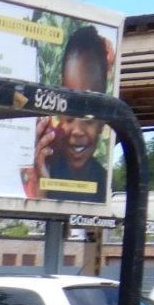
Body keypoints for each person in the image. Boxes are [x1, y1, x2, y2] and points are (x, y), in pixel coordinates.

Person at [21, 25, 114, 203]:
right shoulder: (41, 165)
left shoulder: (103, 183)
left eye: (88, 118)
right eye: (69, 113)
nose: (77, 131)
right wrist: (42, 185)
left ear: (103, 122)